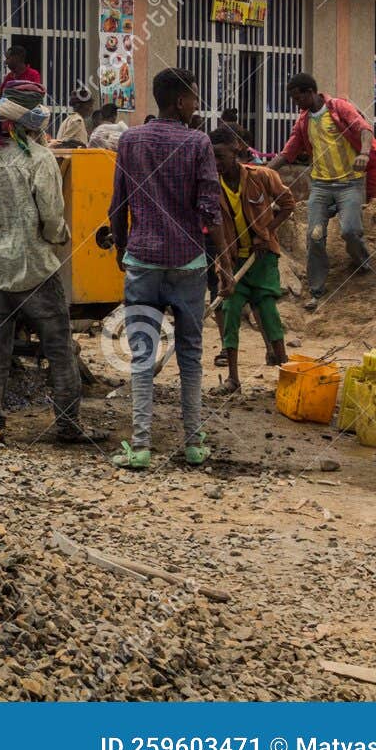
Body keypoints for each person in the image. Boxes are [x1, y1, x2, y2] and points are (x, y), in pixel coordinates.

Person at [0, 81, 107, 446]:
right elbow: (52, 219)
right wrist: (61, 238)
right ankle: (67, 425)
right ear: (31, 123)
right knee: (59, 348)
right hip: (38, 270)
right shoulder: (41, 160)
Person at [108, 67, 229, 470]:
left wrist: (123, 248)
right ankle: (194, 443)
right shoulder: (198, 143)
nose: (197, 105)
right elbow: (209, 207)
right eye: (194, 97)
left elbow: (118, 204)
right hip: (189, 263)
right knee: (190, 354)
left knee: (142, 354)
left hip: (142, 261)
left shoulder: (130, 140)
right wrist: (215, 258)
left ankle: (140, 446)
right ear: (180, 101)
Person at [265, 73, 376, 311]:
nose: (295, 103)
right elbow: (287, 153)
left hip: (350, 184)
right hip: (321, 187)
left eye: (296, 97)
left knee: (351, 230)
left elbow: (364, 129)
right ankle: (316, 290)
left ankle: (362, 263)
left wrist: (364, 153)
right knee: (314, 237)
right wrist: (261, 173)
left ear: (309, 91)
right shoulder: (303, 122)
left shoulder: (339, 108)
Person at [211, 127, 295, 394]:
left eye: (220, 156)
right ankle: (233, 379)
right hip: (234, 261)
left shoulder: (263, 177)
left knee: (268, 311)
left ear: (235, 150)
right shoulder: (213, 187)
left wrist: (267, 232)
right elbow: (218, 235)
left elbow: (288, 204)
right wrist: (224, 271)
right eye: (211, 158)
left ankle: (285, 372)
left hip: (263, 259)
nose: (216, 163)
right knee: (230, 310)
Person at [0, 45, 42, 114]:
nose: (5, 62)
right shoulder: (9, 76)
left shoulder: (33, 74)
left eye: (8, 58)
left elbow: (34, 98)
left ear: (17, 58)